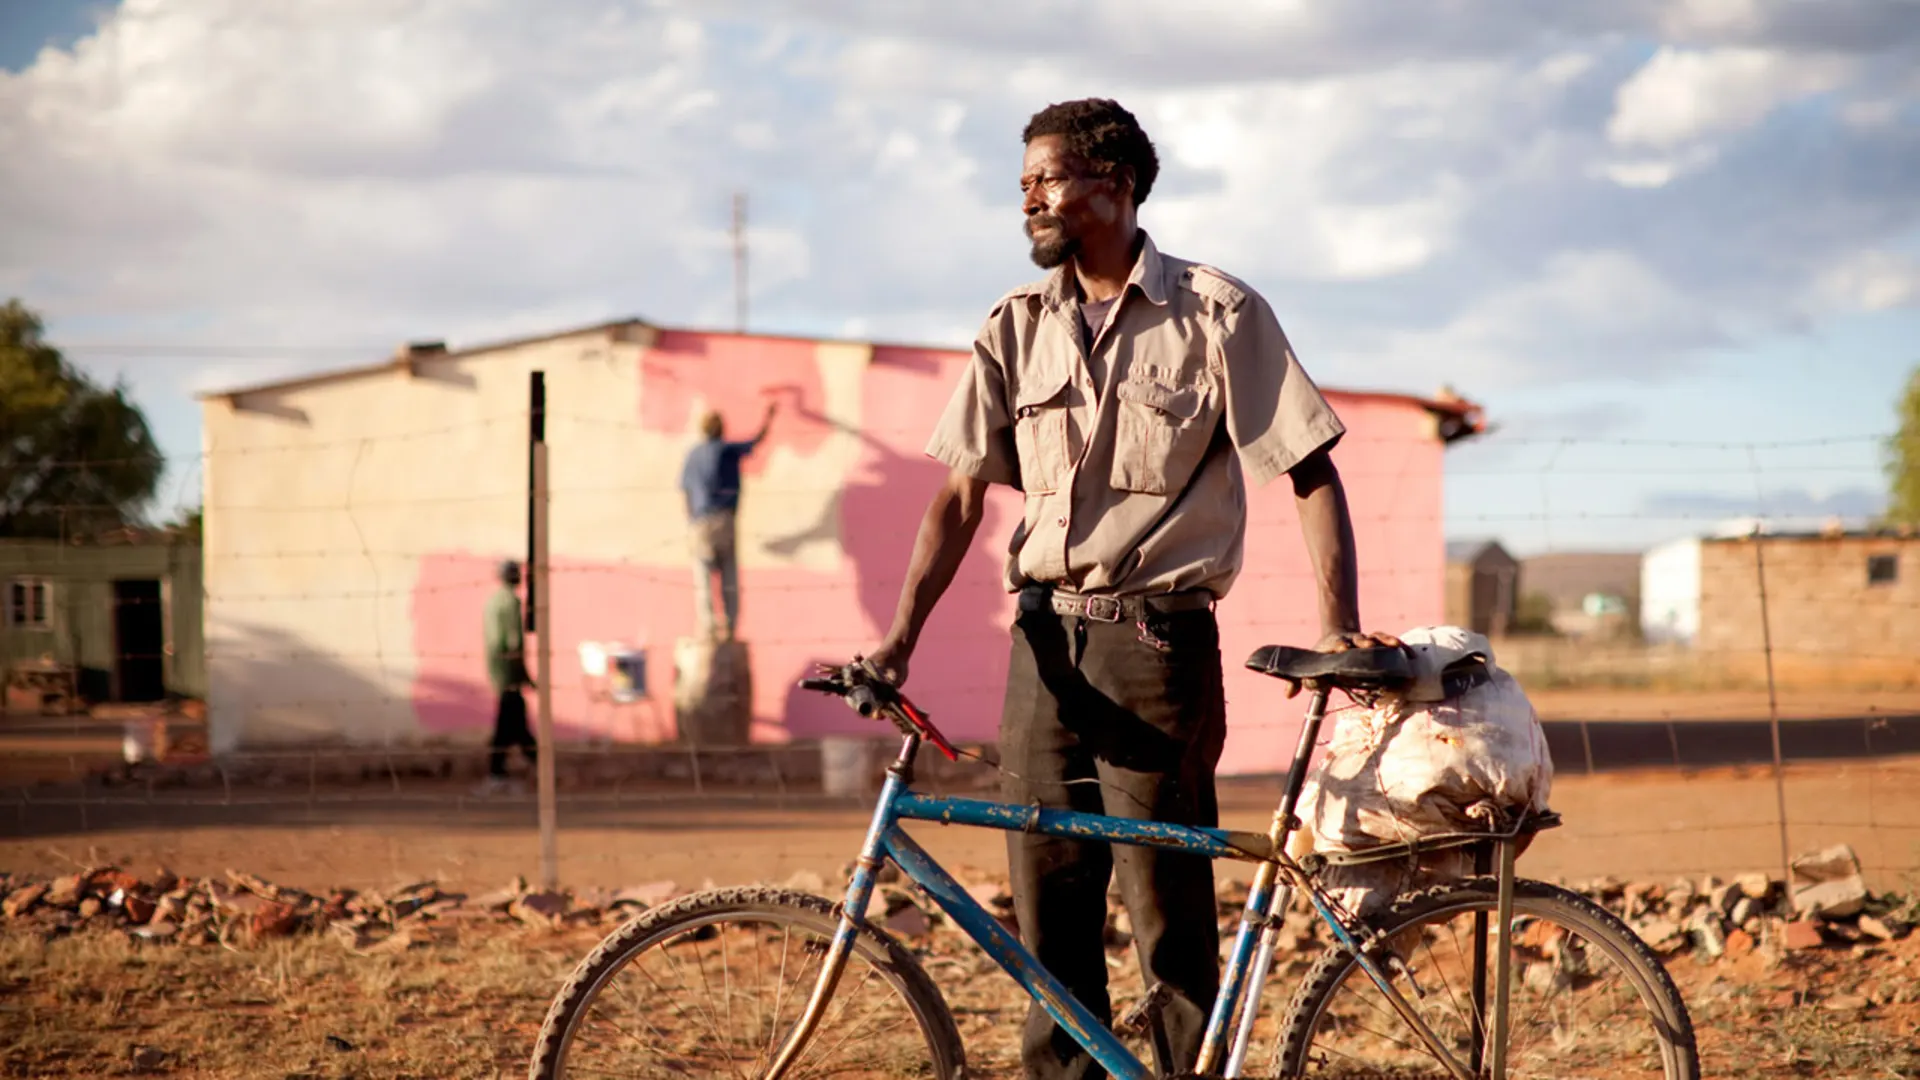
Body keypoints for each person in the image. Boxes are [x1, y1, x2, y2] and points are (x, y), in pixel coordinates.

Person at [863, 98, 1396, 1079]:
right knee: (1047, 907)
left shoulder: (1216, 313)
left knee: (1167, 911)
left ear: (1114, 184)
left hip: (1157, 652)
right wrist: (897, 643)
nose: (1028, 198)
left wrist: (1341, 624)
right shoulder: (1015, 327)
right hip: (1042, 651)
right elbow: (958, 498)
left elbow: (1309, 469)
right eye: (1023, 182)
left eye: (1047, 178)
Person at [680, 401, 776, 641]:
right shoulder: (726, 450)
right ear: (721, 428)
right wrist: (769, 418)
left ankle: (708, 627)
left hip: (699, 522)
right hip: (724, 519)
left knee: (703, 579)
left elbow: (685, 492)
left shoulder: (693, 455)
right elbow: (756, 440)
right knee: (729, 578)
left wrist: (690, 523)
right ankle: (730, 627)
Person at [480, 559, 536, 794]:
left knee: (514, 724)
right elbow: (513, 643)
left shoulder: (493, 602)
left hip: (499, 672)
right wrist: (524, 675)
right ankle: (500, 773)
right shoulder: (510, 602)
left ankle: (504, 771)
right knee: (511, 725)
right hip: (509, 673)